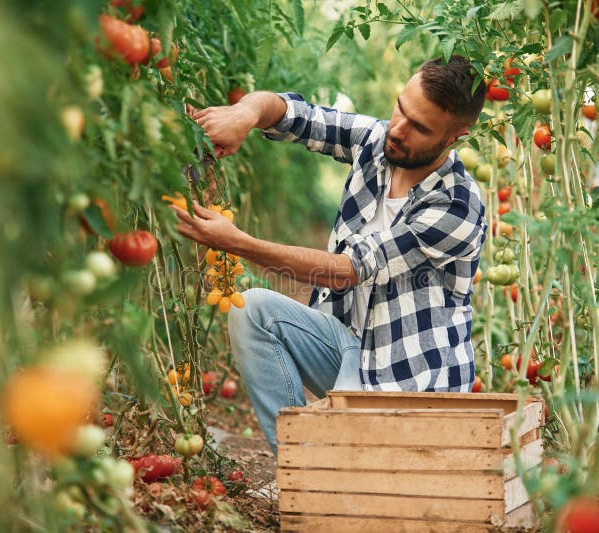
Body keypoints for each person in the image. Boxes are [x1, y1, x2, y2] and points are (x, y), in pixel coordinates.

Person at [171, 55, 487, 455]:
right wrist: (245, 113)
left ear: (457, 135)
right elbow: (295, 116)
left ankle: (343, 462)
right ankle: (294, 466)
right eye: (400, 108)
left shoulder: (457, 205)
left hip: (408, 383)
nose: (398, 129)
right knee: (251, 310)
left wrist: (236, 242)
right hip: (350, 348)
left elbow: (347, 271)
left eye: (419, 127)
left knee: (355, 477)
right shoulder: (377, 142)